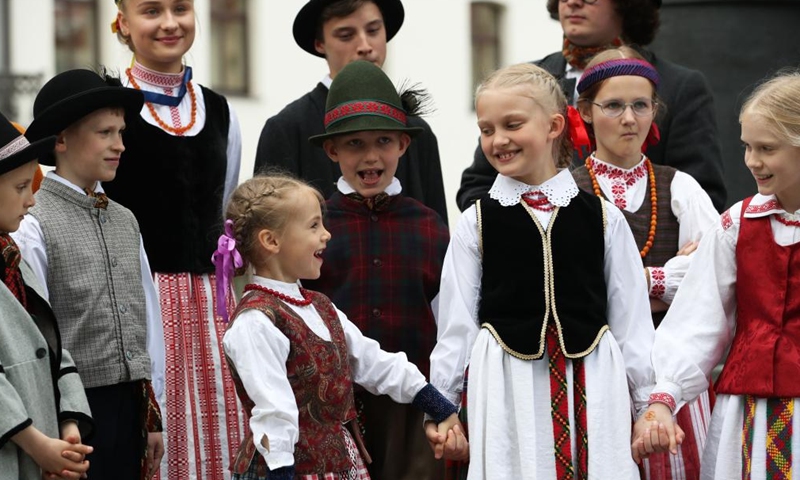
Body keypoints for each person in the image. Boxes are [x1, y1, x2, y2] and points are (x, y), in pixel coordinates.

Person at [430, 62, 657, 479]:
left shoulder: (603, 218)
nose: (498, 140)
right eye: (486, 129)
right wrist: (444, 406)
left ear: (554, 126)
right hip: (506, 382)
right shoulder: (477, 221)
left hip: (593, 378)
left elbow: (632, 321)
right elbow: (456, 323)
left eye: (512, 124)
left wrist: (646, 404)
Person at [215, 174, 467, 480]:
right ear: (271, 241)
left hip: (339, 466)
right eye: (313, 226)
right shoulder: (256, 322)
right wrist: (281, 473)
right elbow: (274, 412)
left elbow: (372, 361)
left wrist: (433, 401)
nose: (326, 235)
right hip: (287, 471)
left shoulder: (319, 305)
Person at [632, 71, 800, 477]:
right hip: (747, 409)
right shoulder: (738, 225)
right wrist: (665, 396)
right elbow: (699, 319)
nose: (752, 161)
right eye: (747, 146)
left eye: (767, 148)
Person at [103, 1, 245, 478]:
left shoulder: (220, 110)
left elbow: (224, 208)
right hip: (136, 300)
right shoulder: (107, 106)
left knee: (221, 436)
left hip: (211, 305)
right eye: (151, 10)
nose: (169, 23)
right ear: (123, 22)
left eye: (180, 8)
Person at [570, 46, 718, 479]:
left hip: (673, 367)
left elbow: (711, 275)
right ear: (585, 111)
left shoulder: (680, 186)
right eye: (613, 106)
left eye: (640, 105)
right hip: (595, 368)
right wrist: (664, 277)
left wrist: (632, 283)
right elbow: (573, 283)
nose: (629, 119)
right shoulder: (567, 193)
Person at [299, 60, 450, 480]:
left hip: (413, 406)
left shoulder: (430, 227)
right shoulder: (314, 227)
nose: (370, 157)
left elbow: (449, 320)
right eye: (353, 144)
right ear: (332, 150)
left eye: (383, 141)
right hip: (335, 404)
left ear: (403, 144)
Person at [14, 68, 164, 480]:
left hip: (129, 403)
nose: (120, 145)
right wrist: (56, 421)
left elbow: (148, 320)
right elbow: (35, 333)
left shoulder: (126, 220)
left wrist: (154, 413)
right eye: (105, 133)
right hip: (72, 410)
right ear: (61, 140)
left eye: (121, 132)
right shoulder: (34, 222)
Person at [456, 0, 726, 213]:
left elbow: (703, 197)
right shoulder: (523, 84)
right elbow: (477, 186)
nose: (573, 2)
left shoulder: (680, 86)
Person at [253, 0, 449, 223]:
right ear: (319, 43)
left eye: (373, 30)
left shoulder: (417, 130)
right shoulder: (287, 129)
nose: (365, 45)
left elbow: (439, 236)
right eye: (346, 35)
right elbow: (267, 236)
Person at [0, 111, 94, 480]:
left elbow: (53, 347)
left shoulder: (12, 259)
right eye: (21, 187)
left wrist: (68, 425)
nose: (31, 201)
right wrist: (37, 444)